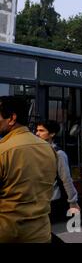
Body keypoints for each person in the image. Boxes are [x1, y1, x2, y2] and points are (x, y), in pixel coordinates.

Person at [0, 96, 57, 243]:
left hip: (8, 234)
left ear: (12, 118)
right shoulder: (48, 149)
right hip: (40, 234)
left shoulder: (3, 151)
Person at [35, 120, 80, 221]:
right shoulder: (35, 151)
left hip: (51, 201)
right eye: (37, 130)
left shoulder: (59, 154)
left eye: (41, 130)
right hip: (36, 200)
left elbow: (66, 179)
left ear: (52, 134)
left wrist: (73, 202)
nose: (37, 133)